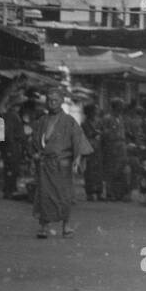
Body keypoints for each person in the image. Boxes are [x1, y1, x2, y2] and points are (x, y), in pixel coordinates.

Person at [32, 87, 92, 239]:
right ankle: (44, 227)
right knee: (44, 195)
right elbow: (34, 142)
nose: (52, 104)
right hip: (46, 164)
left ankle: (66, 226)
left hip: (62, 164)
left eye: (55, 100)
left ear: (61, 101)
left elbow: (78, 141)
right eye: (49, 100)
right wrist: (36, 153)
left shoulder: (69, 121)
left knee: (64, 196)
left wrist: (77, 160)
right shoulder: (42, 121)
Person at [100, 98, 130, 201]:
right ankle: (110, 193)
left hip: (121, 145)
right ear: (115, 106)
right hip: (112, 146)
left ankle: (119, 193)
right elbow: (104, 132)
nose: (122, 108)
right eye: (120, 105)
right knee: (111, 170)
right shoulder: (107, 118)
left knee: (121, 169)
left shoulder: (121, 118)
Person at [81, 102, 104, 202]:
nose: (97, 112)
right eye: (95, 110)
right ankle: (90, 192)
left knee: (98, 171)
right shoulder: (84, 123)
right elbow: (88, 134)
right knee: (89, 171)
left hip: (98, 148)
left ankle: (99, 192)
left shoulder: (98, 122)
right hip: (89, 148)